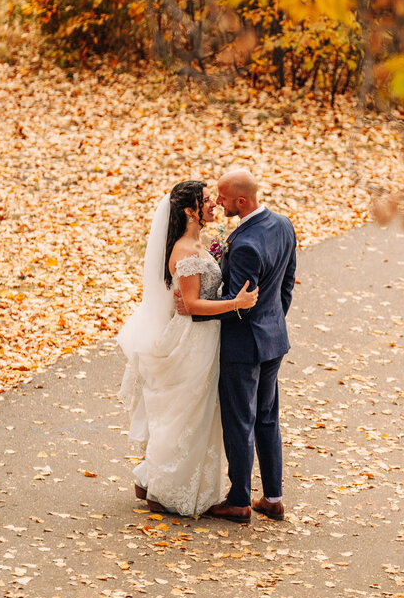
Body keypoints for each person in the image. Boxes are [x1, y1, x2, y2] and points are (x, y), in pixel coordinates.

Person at [118, 179, 258, 516]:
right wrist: (235, 303)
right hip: (193, 340)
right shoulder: (184, 250)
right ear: (188, 211)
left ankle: (152, 479)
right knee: (186, 415)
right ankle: (164, 489)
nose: (213, 204)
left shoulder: (200, 244)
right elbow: (192, 304)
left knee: (197, 414)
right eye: (206, 200)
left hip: (207, 337)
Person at [176, 168, 297, 523]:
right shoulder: (283, 225)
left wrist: (193, 310)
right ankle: (273, 498)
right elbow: (287, 283)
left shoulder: (244, 245)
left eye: (224, 198)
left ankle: (240, 501)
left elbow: (239, 303)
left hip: (244, 347)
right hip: (273, 340)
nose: (218, 202)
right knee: (267, 418)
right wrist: (274, 321)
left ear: (241, 201)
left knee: (240, 422)